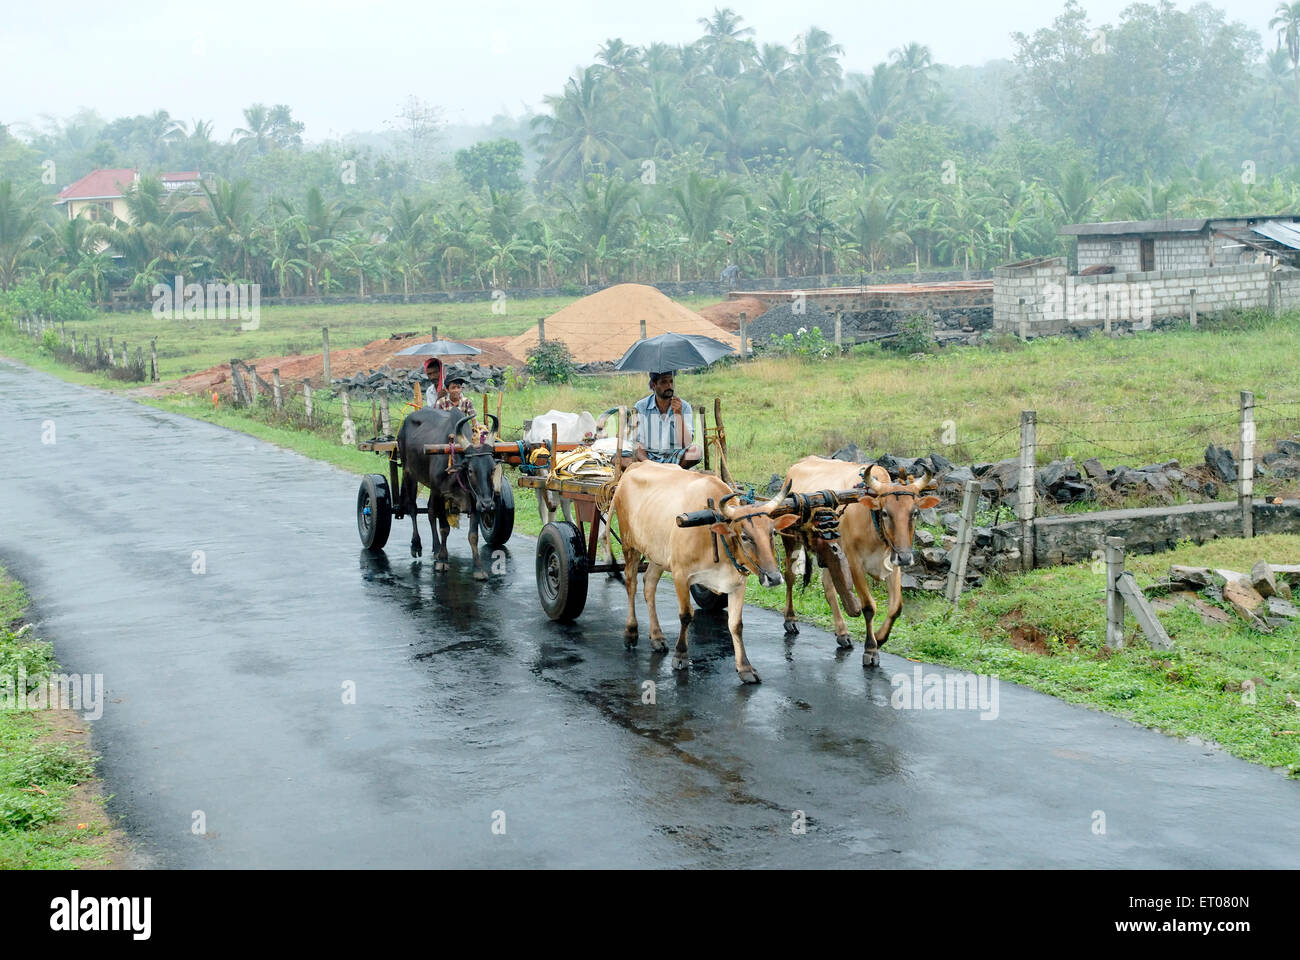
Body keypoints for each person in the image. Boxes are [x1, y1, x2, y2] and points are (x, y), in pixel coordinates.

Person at [632, 370, 702, 469]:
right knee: (621, 458)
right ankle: (658, 471)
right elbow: (637, 442)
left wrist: (678, 414)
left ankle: (666, 472)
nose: (669, 386)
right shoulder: (641, 406)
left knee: (696, 452)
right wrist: (647, 462)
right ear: (653, 385)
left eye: (671, 381)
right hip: (648, 457)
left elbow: (686, 443)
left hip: (674, 456)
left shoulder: (684, 407)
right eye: (664, 382)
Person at [432, 375, 481, 441]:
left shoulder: (467, 402)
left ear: (461, 389)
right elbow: (437, 422)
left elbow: (473, 419)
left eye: (458, 387)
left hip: (463, 432)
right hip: (445, 433)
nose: (456, 390)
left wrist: (477, 426)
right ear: (447, 389)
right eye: (453, 388)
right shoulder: (441, 402)